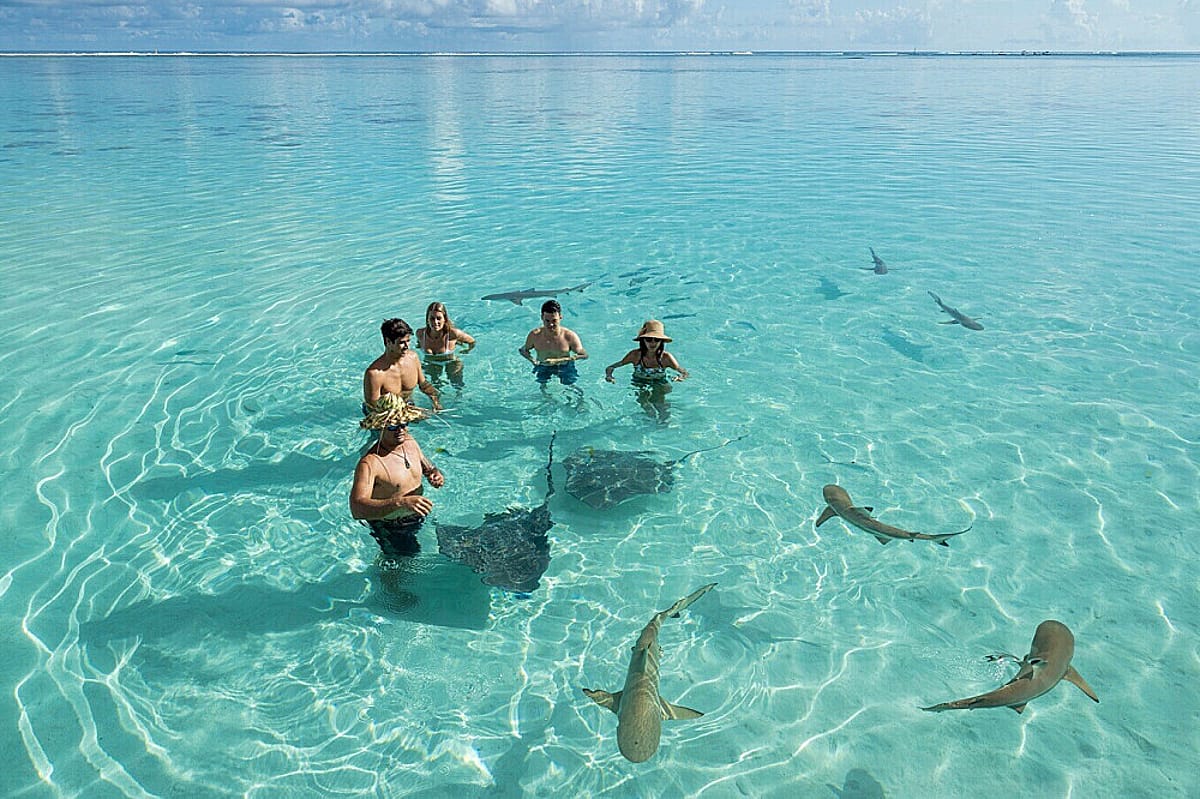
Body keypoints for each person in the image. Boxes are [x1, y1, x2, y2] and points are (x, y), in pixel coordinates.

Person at [350, 394, 444, 560]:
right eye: (393, 427)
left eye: (404, 424)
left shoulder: (409, 442)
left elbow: (427, 465)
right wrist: (401, 502)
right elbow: (357, 508)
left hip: (417, 514)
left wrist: (433, 473)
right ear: (380, 427)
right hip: (391, 526)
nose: (400, 430)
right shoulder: (370, 463)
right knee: (404, 564)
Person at [604, 319, 688, 421]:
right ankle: (650, 426)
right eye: (649, 339)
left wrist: (681, 377)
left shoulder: (666, 358)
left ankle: (664, 426)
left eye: (656, 339)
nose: (653, 343)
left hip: (659, 382)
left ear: (661, 341)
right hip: (639, 382)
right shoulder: (635, 355)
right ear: (643, 340)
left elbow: (683, 372)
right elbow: (611, 367)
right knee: (646, 406)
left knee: (661, 406)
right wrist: (609, 376)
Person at [363, 318, 442, 413]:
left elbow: (424, 385)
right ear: (388, 342)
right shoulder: (374, 374)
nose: (407, 346)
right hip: (387, 415)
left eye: (408, 341)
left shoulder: (413, 358)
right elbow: (372, 409)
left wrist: (435, 401)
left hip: (409, 407)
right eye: (401, 342)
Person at [518, 300, 589, 388]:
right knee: (543, 387)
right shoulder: (535, 335)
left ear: (560, 317)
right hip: (543, 366)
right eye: (547, 321)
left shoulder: (569, 336)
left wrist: (559, 360)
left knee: (572, 387)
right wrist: (533, 361)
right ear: (542, 317)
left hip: (564, 366)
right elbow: (523, 350)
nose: (551, 324)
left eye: (554, 320)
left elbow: (584, 355)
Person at [416, 302, 475, 391]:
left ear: (445, 319)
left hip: (451, 362)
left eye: (439, 318)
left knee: (457, 386)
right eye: (432, 318)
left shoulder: (453, 334)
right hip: (431, 363)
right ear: (427, 319)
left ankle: (459, 398)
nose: (435, 322)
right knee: (434, 386)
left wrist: (467, 351)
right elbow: (418, 345)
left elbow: (472, 341)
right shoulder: (420, 334)